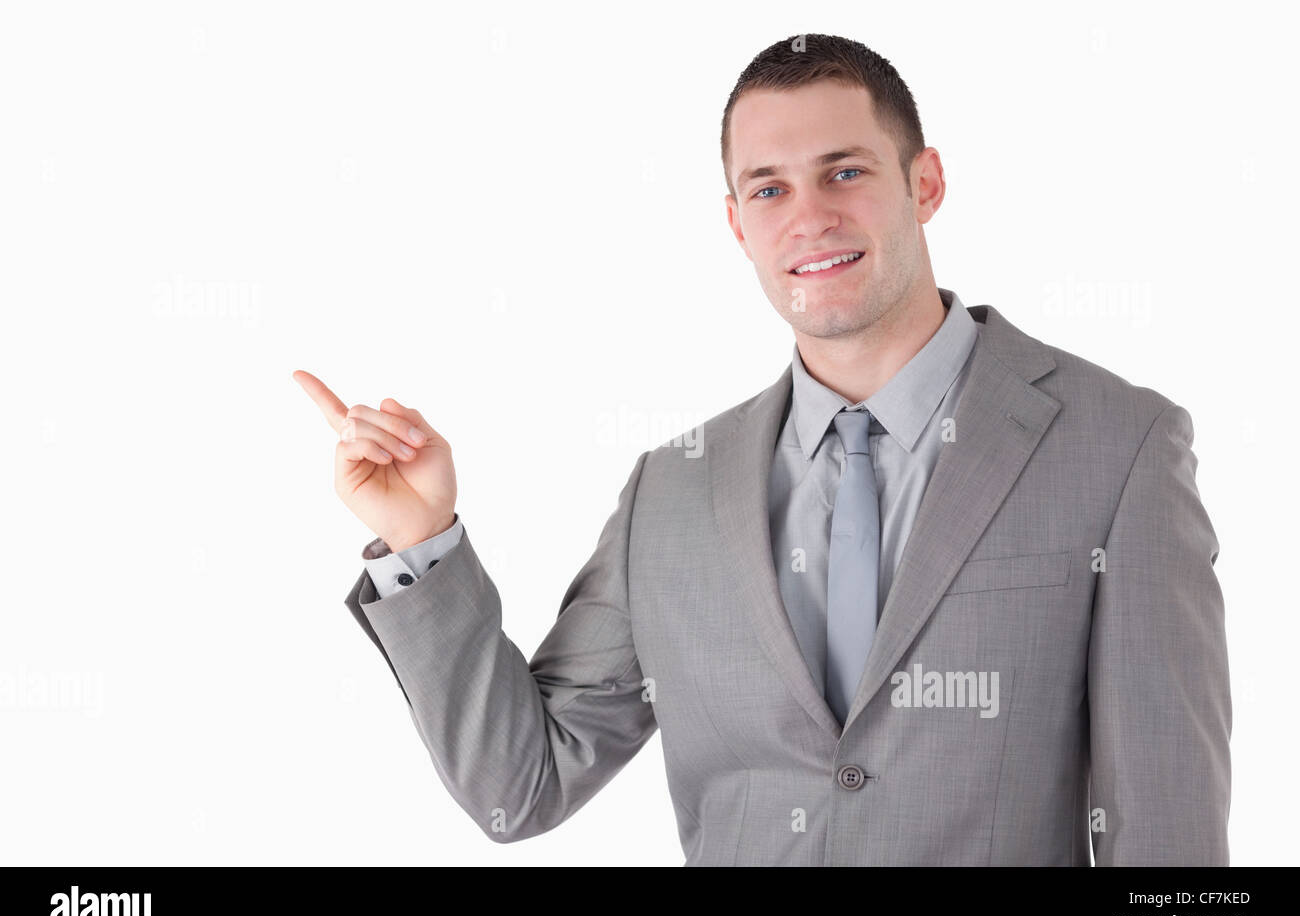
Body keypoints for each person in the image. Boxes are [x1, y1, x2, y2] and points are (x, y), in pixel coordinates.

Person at [294, 33, 1230, 865]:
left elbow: (1170, 837)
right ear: (738, 224)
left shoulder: (1119, 446)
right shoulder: (672, 490)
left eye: (846, 171)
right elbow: (524, 788)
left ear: (926, 183)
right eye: (769, 189)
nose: (808, 216)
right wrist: (424, 542)